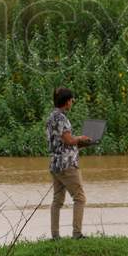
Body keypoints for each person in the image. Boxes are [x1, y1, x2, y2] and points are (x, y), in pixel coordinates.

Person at [46, 87, 91, 240]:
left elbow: (62, 143)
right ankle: (77, 234)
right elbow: (68, 140)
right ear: (67, 101)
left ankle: (55, 235)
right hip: (67, 165)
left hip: (55, 164)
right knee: (80, 198)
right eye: (72, 100)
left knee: (57, 200)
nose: (72, 102)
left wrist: (81, 143)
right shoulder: (62, 118)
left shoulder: (51, 117)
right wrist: (80, 138)